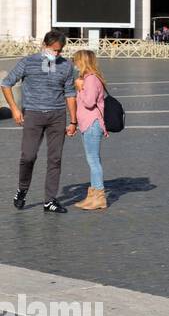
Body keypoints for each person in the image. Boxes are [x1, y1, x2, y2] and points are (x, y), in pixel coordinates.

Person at [2, 30, 78, 213]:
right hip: (33, 115)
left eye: (60, 51)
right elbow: (6, 83)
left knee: (55, 159)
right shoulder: (27, 62)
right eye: (54, 50)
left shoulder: (66, 65)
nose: (57, 54)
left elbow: (70, 93)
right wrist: (14, 108)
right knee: (28, 156)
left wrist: (73, 121)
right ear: (44, 45)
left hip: (57, 116)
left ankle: (49, 200)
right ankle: (22, 189)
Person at [70, 50, 109, 211]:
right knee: (93, 159)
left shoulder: (91, 79)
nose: (74, 64)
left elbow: (89, 102)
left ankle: (99, 197)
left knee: (93, 160)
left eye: (76, 61)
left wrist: (80, 88)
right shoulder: (88, 78)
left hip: (92, 123)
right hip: (87, 123)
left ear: (83, 62)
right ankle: (92, 195)